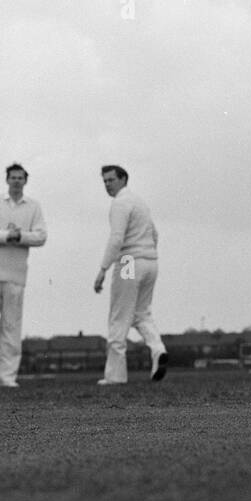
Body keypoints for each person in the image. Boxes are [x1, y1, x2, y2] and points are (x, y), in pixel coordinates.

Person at [0, 163, 47, 389]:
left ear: (26, 180)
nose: (16, 181)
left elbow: (41, 236)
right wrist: (7, 236)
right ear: (7, 180)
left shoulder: (33, 207)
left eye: (20, 178)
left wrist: (20, 236)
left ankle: (7, 377)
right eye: (12, 177)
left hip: (16, 275)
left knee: (11, 328)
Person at [94, 165, 167, 385]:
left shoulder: (120, 203)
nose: (107, 185)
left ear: (123, 179)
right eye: (105, 181)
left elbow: (117, 238)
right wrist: (147, 253)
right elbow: (155, 233)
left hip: (129, 260)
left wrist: (103, 269)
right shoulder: (140, 202)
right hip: (150, 260)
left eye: (111, 180)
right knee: (142, 314)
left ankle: (115, 376)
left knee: (119, 317)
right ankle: (158, 350)